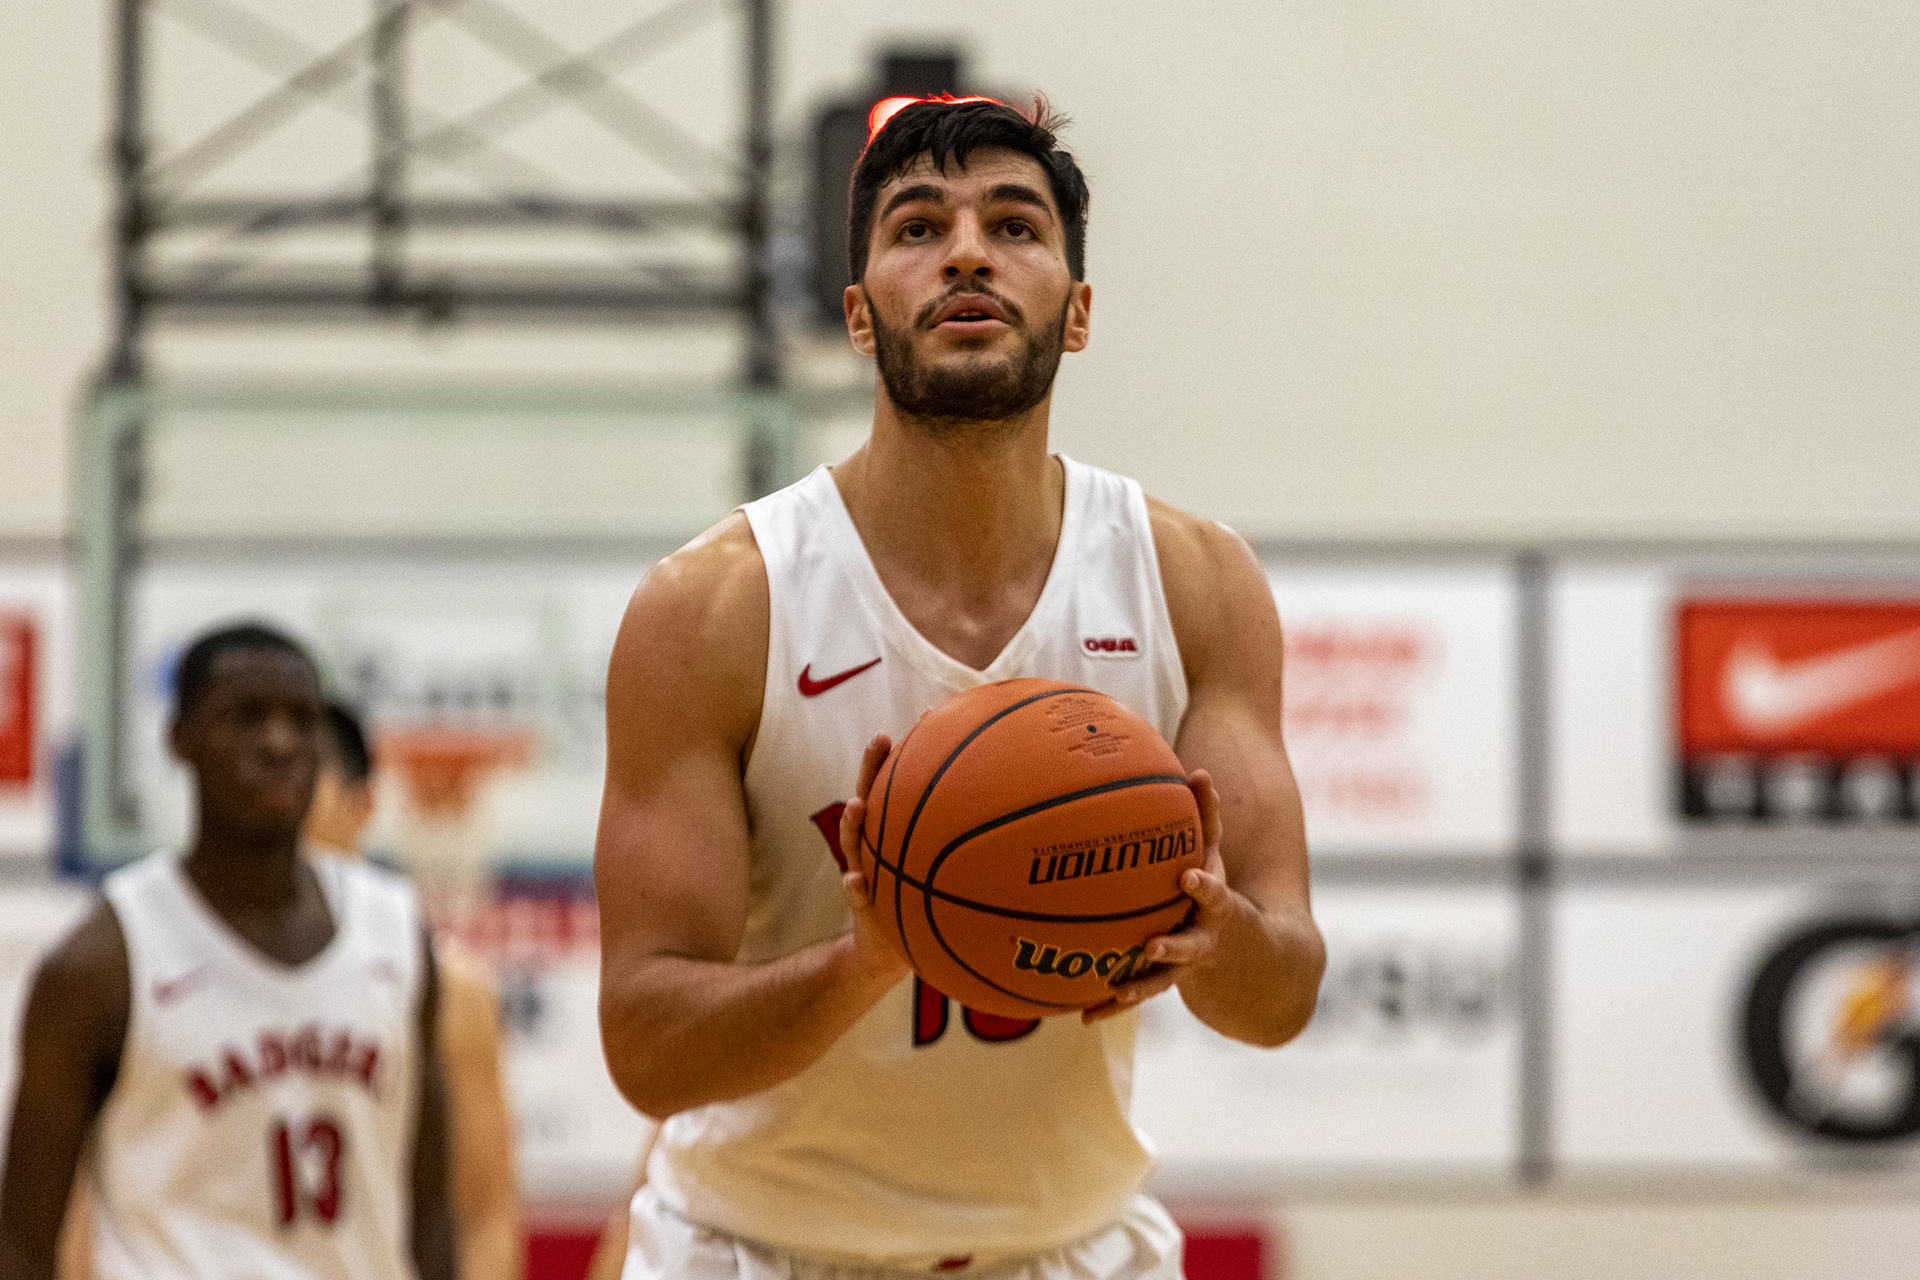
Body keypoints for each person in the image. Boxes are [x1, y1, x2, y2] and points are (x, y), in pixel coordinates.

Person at [593, 96, 1325, 1276]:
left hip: (1068, 1245)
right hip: (760, 1245)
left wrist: (1213, 929)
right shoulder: (714, 610)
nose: (969, 250)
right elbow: (646, 1045)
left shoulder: (1195, 582)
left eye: (1017, 226)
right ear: (856, 313)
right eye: (919, 225)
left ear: (1078, 312)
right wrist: (871, 953)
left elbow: (1282, 990)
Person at [0, 624, 455, 1280]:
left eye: (302, 722)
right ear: (178, 738)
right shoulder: (100, 962)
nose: (279, 743)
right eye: (246, 718)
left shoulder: (397, 932)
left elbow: (433, 1211)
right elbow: (21, 1243)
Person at [304, 703, 525, 1280]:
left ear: (364, 803)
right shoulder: (160, 966)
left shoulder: (446, 985)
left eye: (302, 780)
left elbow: (483, 1218)